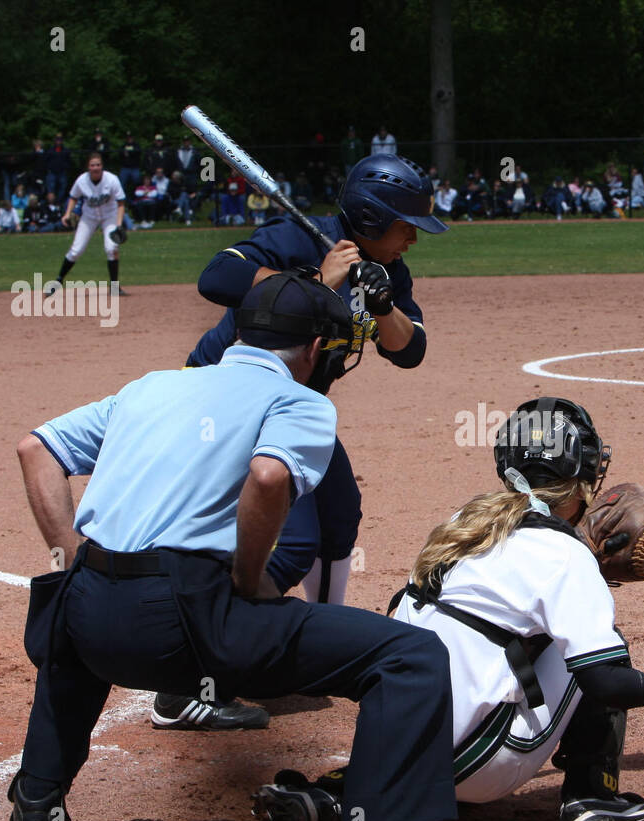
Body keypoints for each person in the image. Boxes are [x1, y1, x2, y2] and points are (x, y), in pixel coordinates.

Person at [8, 272, 457, 821]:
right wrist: (247, 581)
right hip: (189, 627)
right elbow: (269, 477)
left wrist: (72, 559)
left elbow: (36, 448)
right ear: (317, 349)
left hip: (88, 623)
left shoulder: (152, 386)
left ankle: (38, 812)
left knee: (76, 611)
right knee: (411, 657)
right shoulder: (300, 401)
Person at [252, 397, 644, 821]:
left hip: (398, 756)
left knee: (441, 634)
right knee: (599, 647)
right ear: (582, 475)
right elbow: (604, 683)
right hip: (480, 769)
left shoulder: (465, 523)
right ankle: (593, 799)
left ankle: (336, 795)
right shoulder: (567, 556)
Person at [160, 154, 449, 729]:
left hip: (293, 406)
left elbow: (409, 349)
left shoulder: (385, 266)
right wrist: (318, 281)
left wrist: (382, 299)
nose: (414, 238)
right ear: (369, 218)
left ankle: (311, 650)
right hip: (226, 399)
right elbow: (215, 279)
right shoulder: (295, 236)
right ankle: (189, 683)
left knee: (339, 515)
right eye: (405, 225)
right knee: (292, 543)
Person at [48, 152, 127, 296]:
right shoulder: (82, 180)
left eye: (98, 165)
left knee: (111, 248)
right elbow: (73, 197)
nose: (95, 167)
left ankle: (115, 287)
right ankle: (57, 282)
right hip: (89, 217)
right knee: (76, 250)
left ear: (102, 166)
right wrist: (67, 213)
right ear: (88, 167)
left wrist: (119, 224)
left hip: (109, 216)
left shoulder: (112, 180)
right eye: (92, 165)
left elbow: (121, 203)